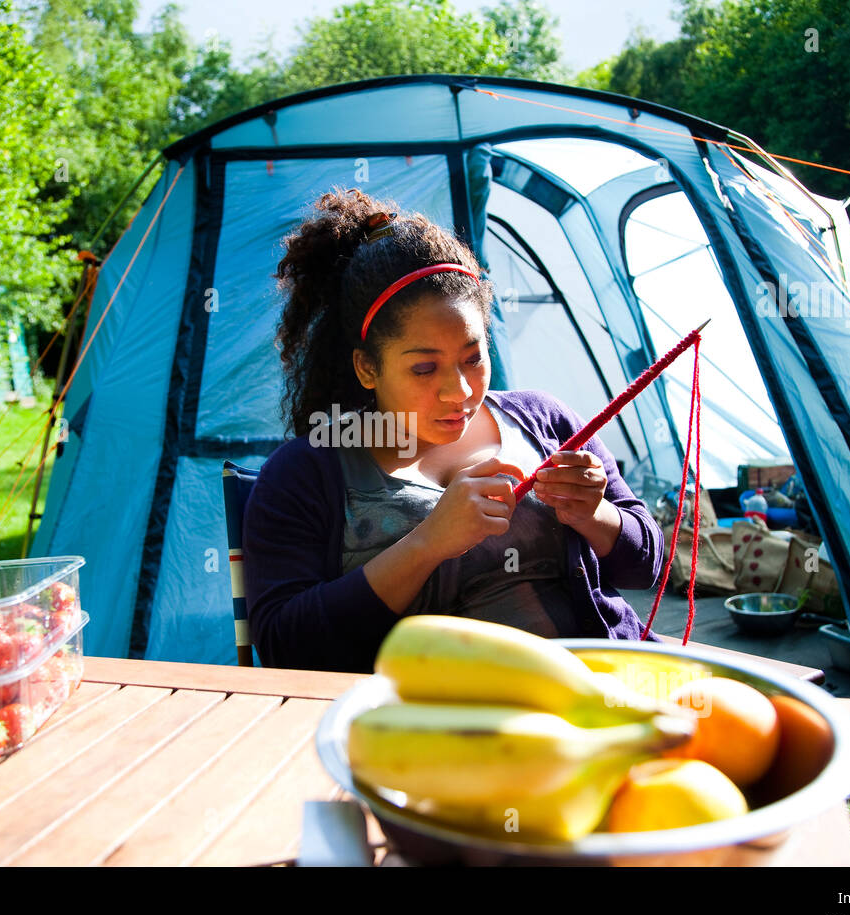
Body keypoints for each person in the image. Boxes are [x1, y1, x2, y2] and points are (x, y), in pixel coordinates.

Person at [242, 187, 665, 673]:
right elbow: (284, 646)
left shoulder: (545, 422)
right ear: (367, 368)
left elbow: (644, 567)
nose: (459, 391)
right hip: (432, 726)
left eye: (473, 357)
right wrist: (429, 542)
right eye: (424, 369)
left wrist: (595, 514)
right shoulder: (307, 471)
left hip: (603, 684)